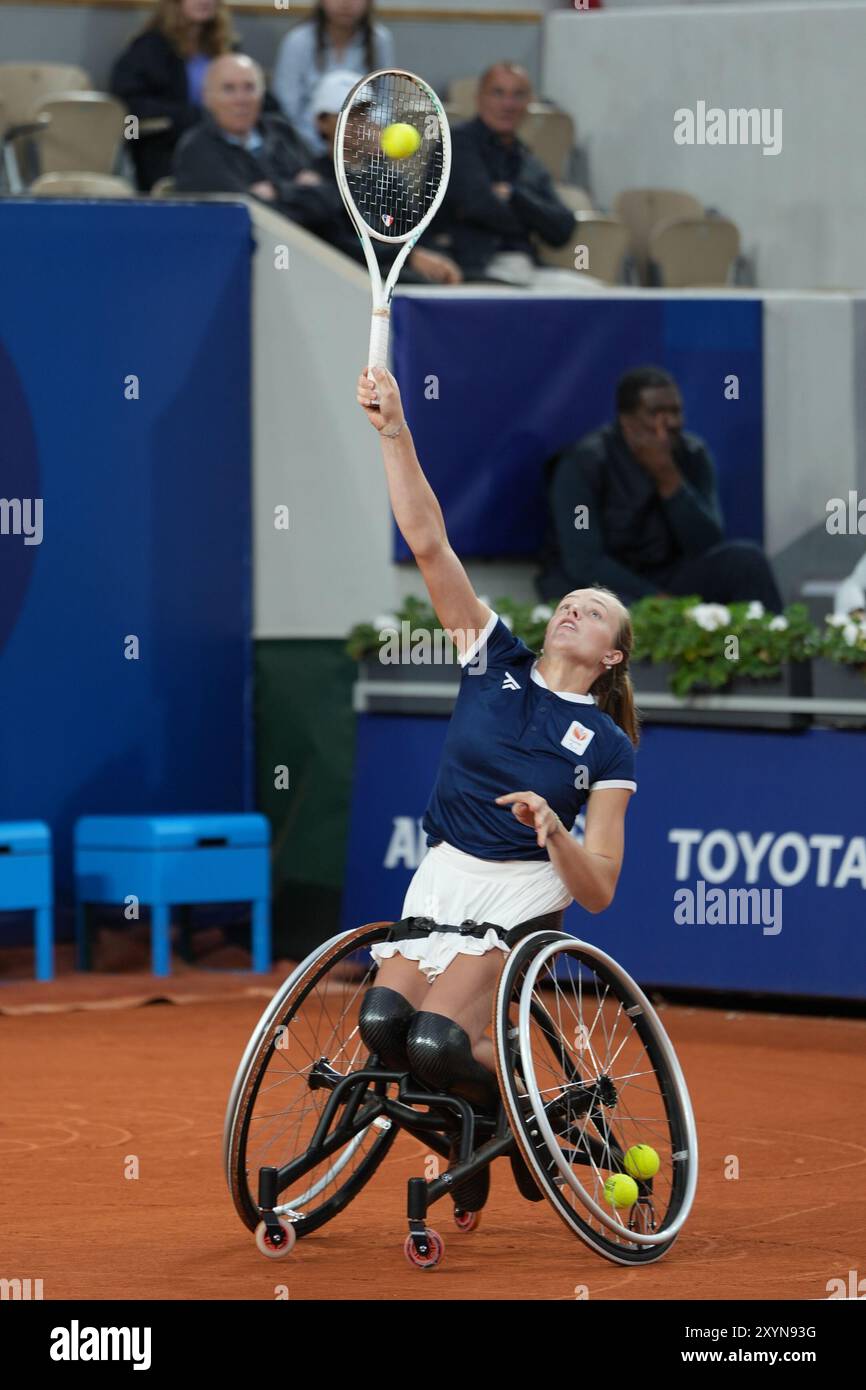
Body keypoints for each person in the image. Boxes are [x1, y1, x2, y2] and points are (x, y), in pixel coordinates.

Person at [353, 363, 638, 1212]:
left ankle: (494, 1125)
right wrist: (394, 431)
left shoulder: (611, 747)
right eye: (571, 601)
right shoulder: (493, 659)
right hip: (444, 873)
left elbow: (602, 888)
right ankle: (483, 1131)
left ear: (611, 657)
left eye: (593, 613)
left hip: (519, 893)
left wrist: (556, 830)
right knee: (382, 1032)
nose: (572, 610)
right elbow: (430, 541)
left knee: (439, 1040)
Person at [536, 365, 785, 612]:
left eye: (675, 412)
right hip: (607, 583)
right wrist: (654, 598)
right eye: (656, 412)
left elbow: (708, 543)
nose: (671, 423)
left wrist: (669, 478)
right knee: (613, 609)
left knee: (746, 560)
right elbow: (584, 562)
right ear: (627, 421)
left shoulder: (692, 454)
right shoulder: (585, 462)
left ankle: (772, 645)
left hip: (669, 576)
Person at [309, 70, 462, 284]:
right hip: (351, 278)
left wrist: (441, 259)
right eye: (348, 115)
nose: (358, 123)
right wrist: (410, 257)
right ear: (322, 122)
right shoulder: (314, 179)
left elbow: (414, 230)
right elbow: (339, 243)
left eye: (362, 114)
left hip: (396, 269)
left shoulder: (386, 176)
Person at [437, 62, 575, 284]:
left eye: (518, 95)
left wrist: (513, 195)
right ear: (479, 97)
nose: (508, 104)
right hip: (475, 268)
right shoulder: (457, 144)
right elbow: (479, 204)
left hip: (528, 267)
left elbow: (563, 229)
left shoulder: (527, 158)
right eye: (498, 93)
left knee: (597, 296)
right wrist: (533, 218)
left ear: (529, 102)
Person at [172, 55, 335, 231]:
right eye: (228, 89)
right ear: (207, 98)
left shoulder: (281, 131)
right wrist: (302, 191)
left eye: (249, 87)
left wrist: (277, 191)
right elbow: (248, 217)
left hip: (325, 244)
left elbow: (331, 196)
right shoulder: (196, 150)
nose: (241, 99)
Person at [110, 0, 237, 191]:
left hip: (223, 142)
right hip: (169, 144)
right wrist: (192, 116)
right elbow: (130, 105)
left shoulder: (224, 48)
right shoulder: (150, 47)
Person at [272, 0, 395, 157]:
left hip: (363, 148)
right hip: (308, 149)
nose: (346, 3)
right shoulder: (297, 41)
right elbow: (288, 109)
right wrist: (325, 142)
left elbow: (384, 102)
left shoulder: (379, 40)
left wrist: (366, 133)